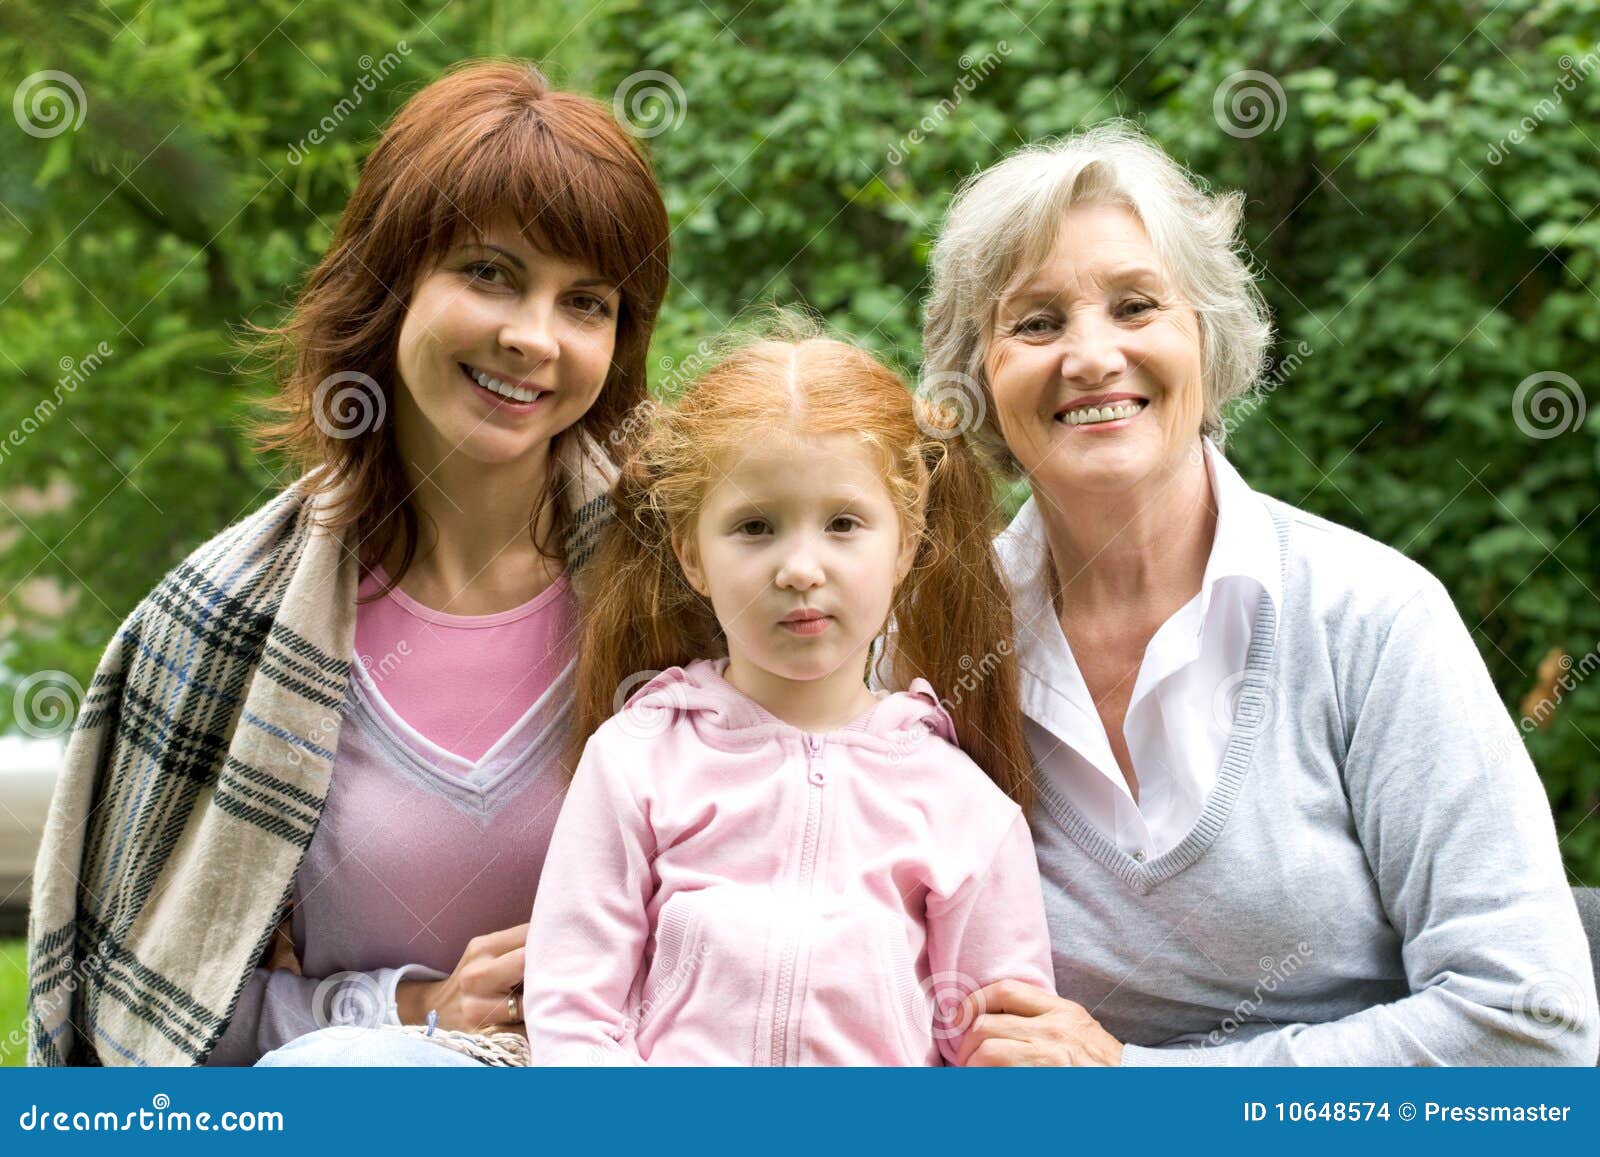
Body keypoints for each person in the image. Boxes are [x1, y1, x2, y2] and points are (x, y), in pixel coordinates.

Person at [910, 121, 1598, 1065]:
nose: (1091, 355)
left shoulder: (1372, 620)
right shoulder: (922, 642)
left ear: (1208, 335)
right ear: (979, 375)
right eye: (1035, 322)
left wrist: (1135, 1090)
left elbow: (1534, 1026)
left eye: (1137, 304)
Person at [28, 59, 670, 1066]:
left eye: (584, 301)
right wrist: (408, 1010)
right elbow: (153, 1019)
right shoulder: (217, 627)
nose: (532, 337)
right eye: (489, 272)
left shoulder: (694, 591)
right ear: (392, 280)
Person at [519, 324, 1055, 1064]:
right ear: (691, 554)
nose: (800, 567)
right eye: (754, 526)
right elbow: (573, 1006)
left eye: (843, 523)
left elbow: (1004, 1046)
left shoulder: (963, 807)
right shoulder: (634, 761)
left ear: (905, 543)